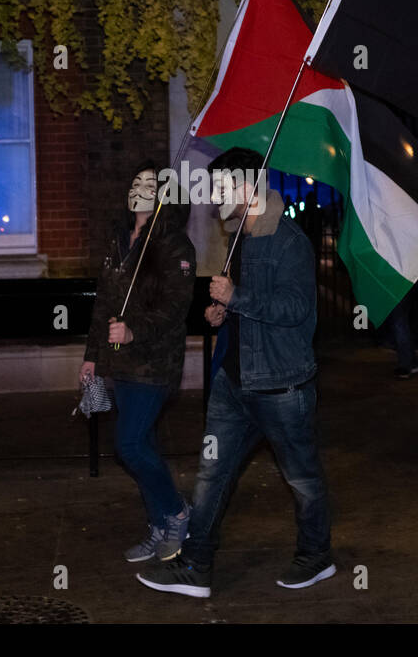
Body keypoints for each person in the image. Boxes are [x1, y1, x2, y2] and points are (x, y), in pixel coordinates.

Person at [137, 148, 332, 597]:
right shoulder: (239, 233)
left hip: (281, 386)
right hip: (234, 381)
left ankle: (316, 556)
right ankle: (197, 566)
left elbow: (297, 309)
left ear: (249, 187)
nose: (216, 198)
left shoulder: (288, 241)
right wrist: (225, 311)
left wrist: (238, 297)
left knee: (302, 478)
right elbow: (246, 304)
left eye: (223, 188)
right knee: (212, 473)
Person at [82, 161, 196, 563]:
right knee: (142, 444)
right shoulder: (120, 240)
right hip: (121, 364)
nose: (141, 188)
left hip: (154, 363)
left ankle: (179, 511)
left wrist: (133, 330)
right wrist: (93, 357)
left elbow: (174, 307)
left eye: (151, 183)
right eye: (136, 180)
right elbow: (104, 303)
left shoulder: (173, 246)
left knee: (128, 444)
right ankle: (158, 526)